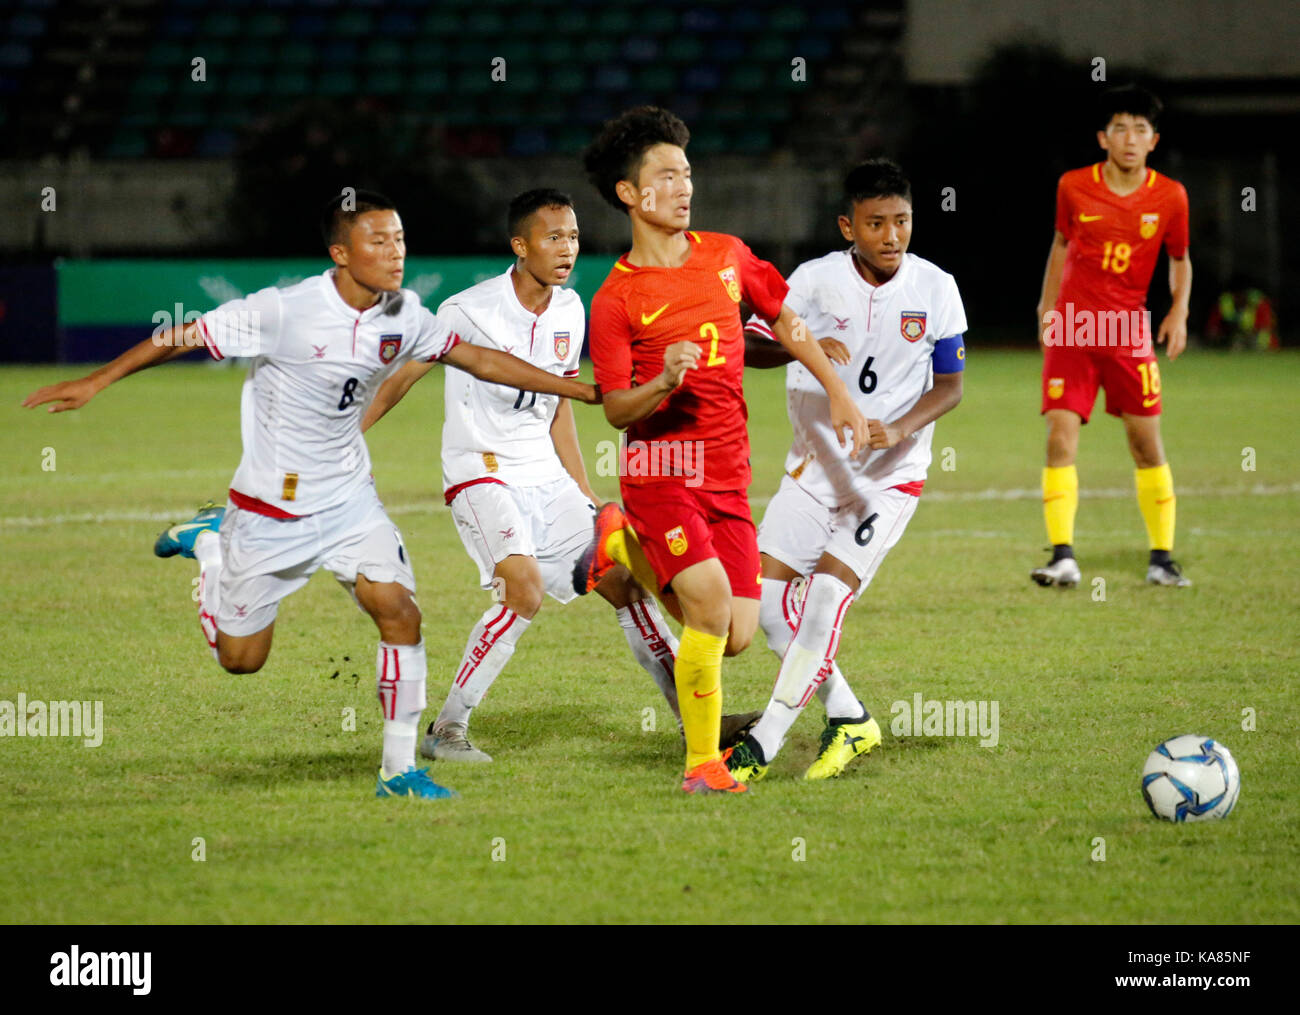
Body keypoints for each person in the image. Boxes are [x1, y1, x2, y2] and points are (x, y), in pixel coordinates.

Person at [22, 190, 600, 799]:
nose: (395, 253)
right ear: (340, 254)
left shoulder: (403, 315)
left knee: (400, 612)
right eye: (379, 242)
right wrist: (98, 379)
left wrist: (582, 393)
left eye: (400, 239)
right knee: (241, 659)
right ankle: (212, 546)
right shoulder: (286, 311)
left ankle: (399, 770)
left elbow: (480, 360)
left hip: (350, 501)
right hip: (273, 505)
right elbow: (185, 334)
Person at [361, 189, 759, 760]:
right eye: (553, 237)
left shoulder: (573, 309)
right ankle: (447, 728)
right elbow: (402, 377)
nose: (567, 247)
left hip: (545, 476)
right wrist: (345, 438)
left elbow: (560, 408)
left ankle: (699, 720)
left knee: (625, 581)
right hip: (482, 472)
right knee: (522, 589)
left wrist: (584, 493)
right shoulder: (468, 310)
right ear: (520, 246)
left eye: (572, 236)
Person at [578, 106, 870, 794]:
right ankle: (703, 766)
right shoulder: (616, 299)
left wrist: (837, 391)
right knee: (708, 604)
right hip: (660, 469)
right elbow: (616, 405)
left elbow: (785, 322)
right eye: (668, 175)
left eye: (688, 173)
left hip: (728, 474)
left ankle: (620, 547)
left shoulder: (728, 256)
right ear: (629, 194)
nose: (685, 186)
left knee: (736, 632)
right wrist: (664, 380)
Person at [727, 158, 967, 782]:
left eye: (903, 222)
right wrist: (798, 344)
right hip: (811, 471)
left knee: (827, 594)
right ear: (847, 226)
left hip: (887, 479)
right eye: (876, 223)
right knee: (767, 606)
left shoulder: (936, 287)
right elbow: (747, 345)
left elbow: (951, 386)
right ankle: (850, 717)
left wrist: (901, 428)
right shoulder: (810, 281)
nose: (892, 236)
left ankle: (764, 745)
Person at [1033, 84, 1193, 589]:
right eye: (1119, 128)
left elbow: (1180, 258)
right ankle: (1062, 557)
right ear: (1103, 137)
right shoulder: (1074, 186)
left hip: (1128, 332)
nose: (1129, 138)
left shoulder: (1170, 195)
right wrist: (1046, 306)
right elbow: (1061, 244)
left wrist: (1179, 312)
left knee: (1146, 445)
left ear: (1154, 140)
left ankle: (1162, 559)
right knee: (1060, 437)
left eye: (1140, 130)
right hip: (1075, 330)